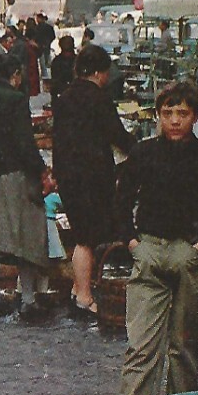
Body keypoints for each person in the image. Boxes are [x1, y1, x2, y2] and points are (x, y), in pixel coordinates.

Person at [115, 81, 198, 395]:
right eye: (168, 112)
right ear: (158, 115)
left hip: (189, 257)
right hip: (149, 251)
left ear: (195, 117)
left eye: (182, 113)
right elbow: (119, 204)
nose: (174, 120)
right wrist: (133, 243)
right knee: (141, 346)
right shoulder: (143, 153)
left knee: (184, 346)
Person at [52, 44, 136, 320]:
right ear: (100, 72)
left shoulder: (64, 97)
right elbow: (117, 135)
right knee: (86, 238)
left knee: (81, 231)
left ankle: (78, 288)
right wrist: (140, 149)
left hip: (67, 174)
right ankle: (85, 298)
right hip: (92, 175)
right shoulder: (99, 99)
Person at [0, 52, 52, 322]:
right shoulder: (17, 100)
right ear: (15, 75)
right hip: (14, 175)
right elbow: (25, 143)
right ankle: (28, 299)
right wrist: (42, 171)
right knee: (27, 234)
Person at [48, 35, 77, 103]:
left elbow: (54, 80)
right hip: (74, 95)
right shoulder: (78, 60)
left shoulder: (56, 61)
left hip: (60, 96)